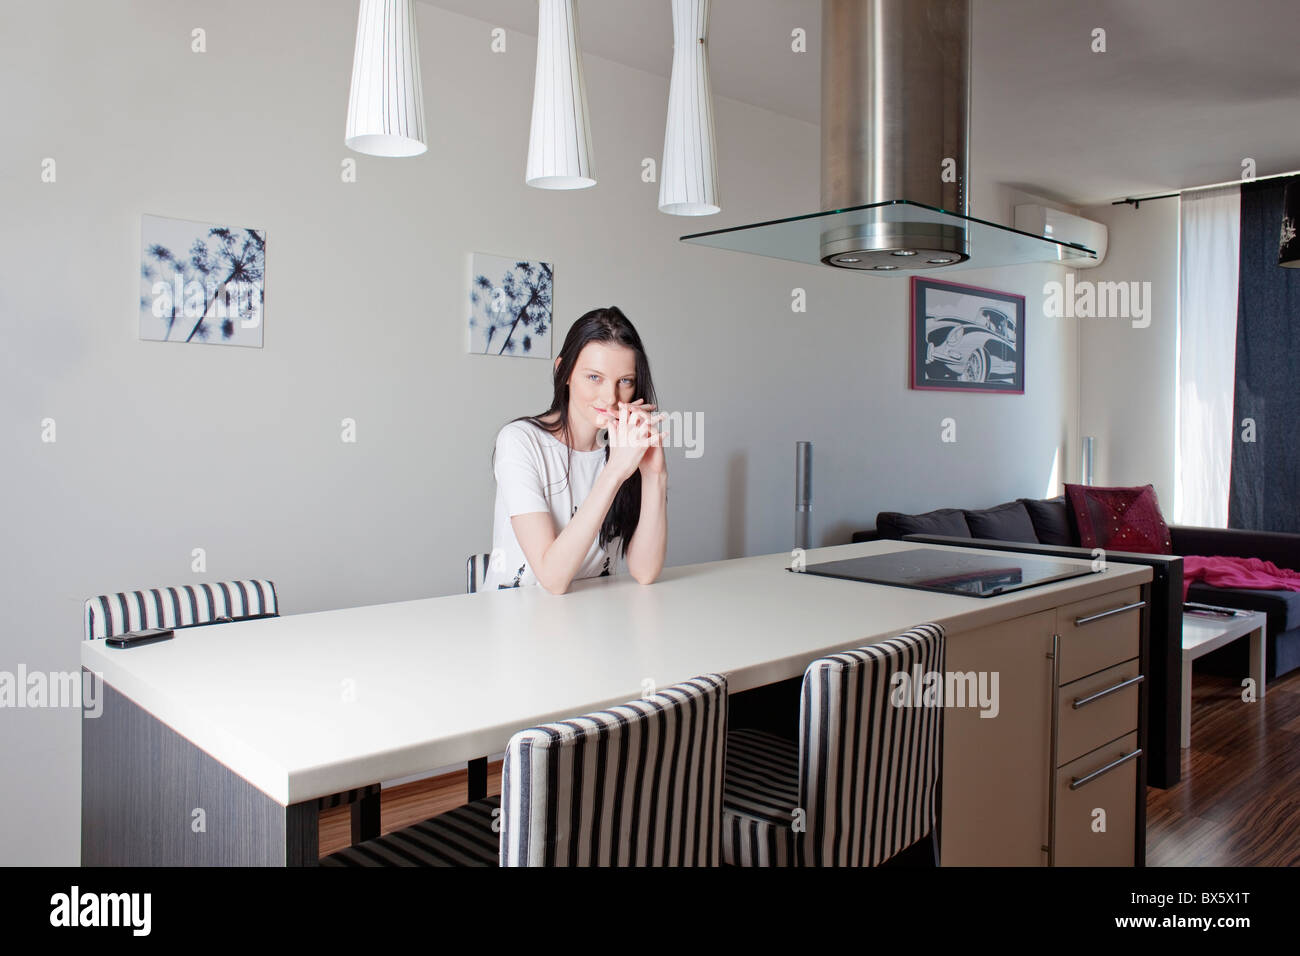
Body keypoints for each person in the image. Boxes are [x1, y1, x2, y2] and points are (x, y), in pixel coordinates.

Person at [483, 306, 667, 593]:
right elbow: (552, 579)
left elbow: (644, 572)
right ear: (564, 372)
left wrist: (655, 475)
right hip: (516, 620)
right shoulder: (519, 441)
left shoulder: (622, 450)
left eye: (625, 381)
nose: (611, 397)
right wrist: (615, 471)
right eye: (594, 377)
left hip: (589, 621)